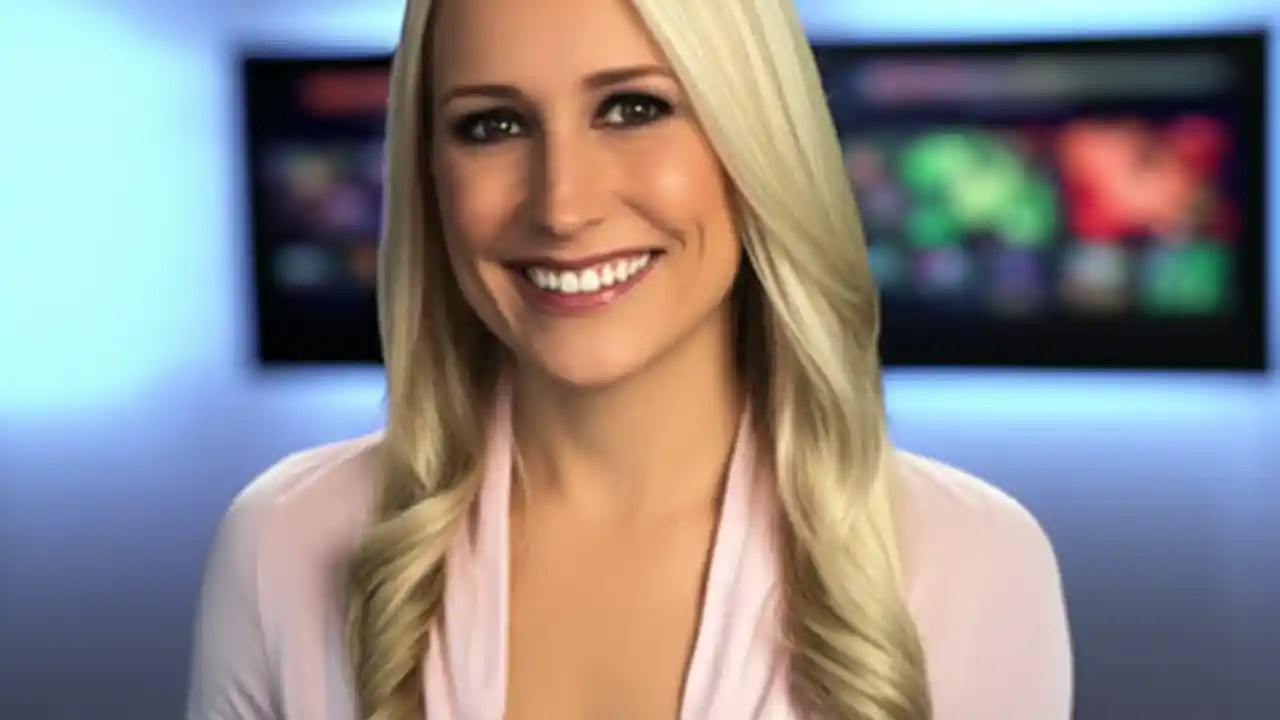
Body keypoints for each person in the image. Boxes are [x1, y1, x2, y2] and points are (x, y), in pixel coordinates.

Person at [186, 0, 1073, 717]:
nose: (563, 204)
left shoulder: (968, 560)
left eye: (634, 108)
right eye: (492, 125)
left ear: (754, 137)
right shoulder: (285, 544)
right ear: (428, 177)